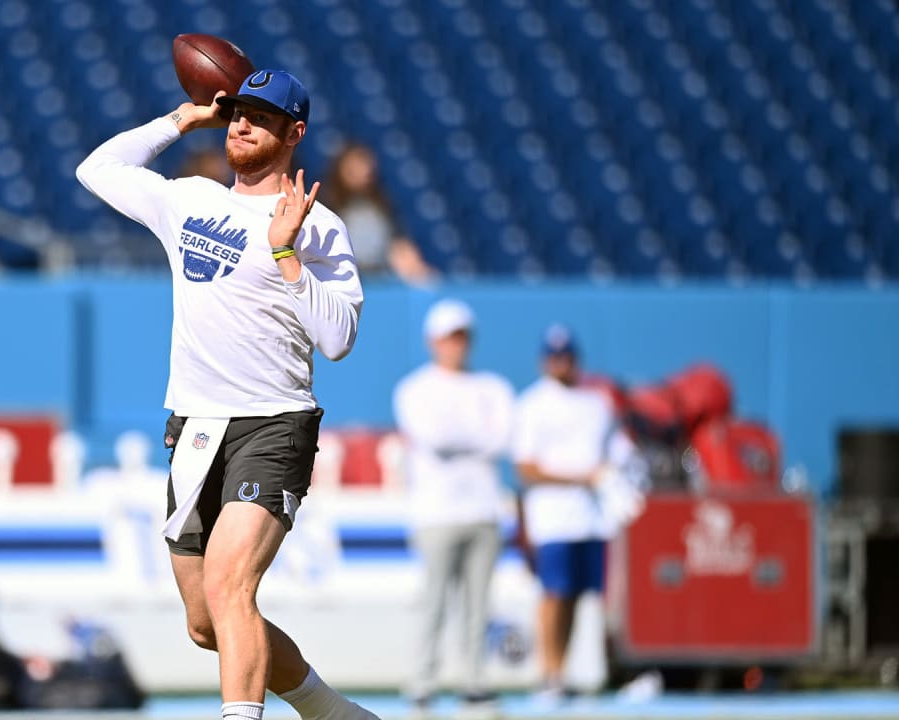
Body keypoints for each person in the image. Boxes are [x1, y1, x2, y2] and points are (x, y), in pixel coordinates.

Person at [76, 69, 376, 720]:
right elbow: (96, 169)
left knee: (230, 584)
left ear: (294, 134)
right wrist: (183, 120)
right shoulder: (187, 198)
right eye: (237, 111)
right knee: (207, 621)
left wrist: (288, 255)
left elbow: (339, 338)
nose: (242, 123)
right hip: (195, 426)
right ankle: (330, 711)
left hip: (274, 423)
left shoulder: (316, 223)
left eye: (261, 116)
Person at [392, 299, 514, 708]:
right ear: (433, 341)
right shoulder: (414, 388)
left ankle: (473, 679)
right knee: (435, 601)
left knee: (480, 605)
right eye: (448, 337)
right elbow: (434, 438)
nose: (455, 345)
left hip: (482, 511)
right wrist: (475, 437)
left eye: (461, 336)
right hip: (436, 513)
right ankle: (423, 681)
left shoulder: (492, 387)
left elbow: (500, 439)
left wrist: (464, 437)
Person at [511, 324, 636, 703]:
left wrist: (614, 482)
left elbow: (615, 455)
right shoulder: (532, 404)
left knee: (586, 597)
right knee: (554, 594)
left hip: (592, 518)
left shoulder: (596, 403)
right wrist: (584, 478)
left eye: (567, 357)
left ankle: (573, 671)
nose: (561, 363)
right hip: (553, 518)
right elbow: (527, 468)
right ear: (544, 361)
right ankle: (549, 673)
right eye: (554, 357)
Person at [321, 141, 434, 284]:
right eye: (355, 166)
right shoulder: (327, 207)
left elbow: (398, 244)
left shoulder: (382, 206)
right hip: (341, 280)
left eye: (366, 165)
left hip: (380, 280)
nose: (364, 171)